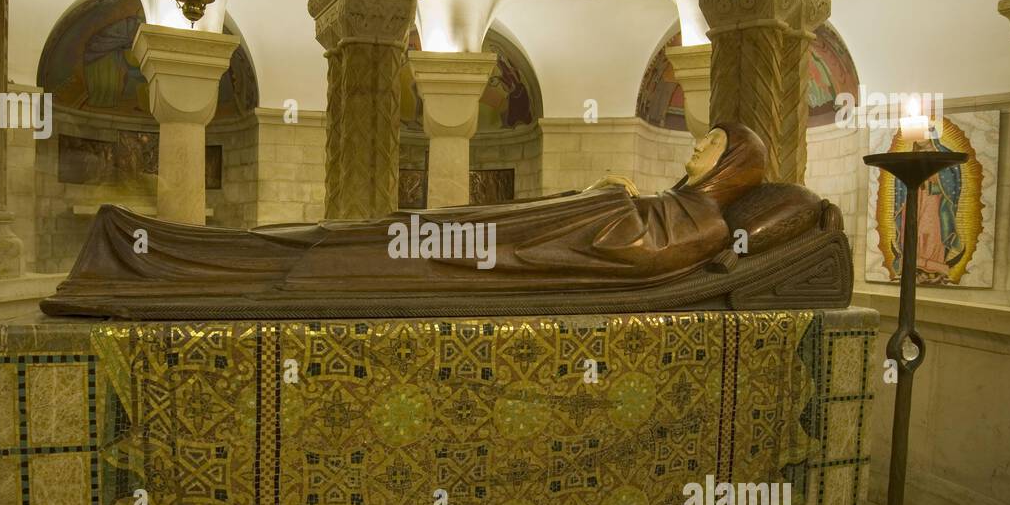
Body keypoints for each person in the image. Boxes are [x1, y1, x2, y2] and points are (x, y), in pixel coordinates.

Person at [43, 124, 783, 317]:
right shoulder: (676, 209)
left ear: (733, 165)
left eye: (710, 145)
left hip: (472, 260)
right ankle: (142, 250)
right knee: (323, 239)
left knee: (323, 248)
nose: (694, 149)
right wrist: (606, 193)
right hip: (468, 244)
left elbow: (625, 253)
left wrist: (607, 200)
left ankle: (144, 255)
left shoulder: (700, 224)